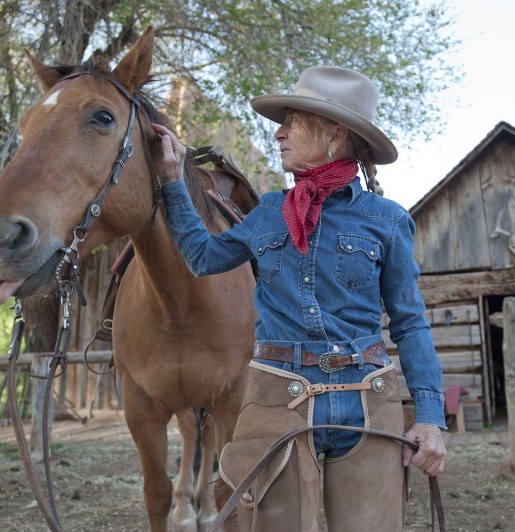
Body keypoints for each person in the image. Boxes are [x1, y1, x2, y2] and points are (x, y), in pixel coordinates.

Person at [152, 66, 446, 531]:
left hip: (369, 398)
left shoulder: (387, 220)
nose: (278, 133)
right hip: (276, 398)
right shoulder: (269, 212)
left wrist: (430, 417)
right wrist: (172, 182)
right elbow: (202, 258)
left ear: (335, 134)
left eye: (292, 122)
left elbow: (410, 323)